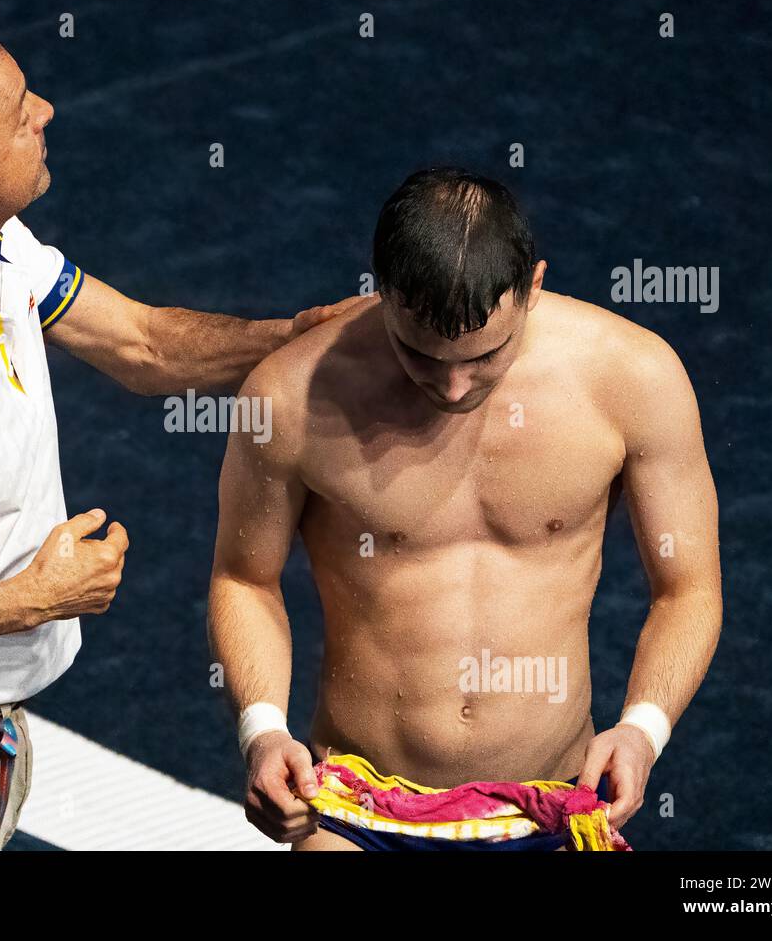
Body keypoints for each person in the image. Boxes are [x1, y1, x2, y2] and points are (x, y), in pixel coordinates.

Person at [0, 12, 357, 851]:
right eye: (19, 110)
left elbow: (143, 344)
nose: (46, 109)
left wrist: (303, 335)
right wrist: (29, 601)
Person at [208, 166, 722, 850]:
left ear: (533, 286)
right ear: (381, 292)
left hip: (554, 797)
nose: (452, 387)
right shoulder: (289, 398)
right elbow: (245, 578)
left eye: (486, 357)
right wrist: (263, 732)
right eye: (419, 354)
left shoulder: (633, 378)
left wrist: (643, 730)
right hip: (357, 806)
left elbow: (688, 588)